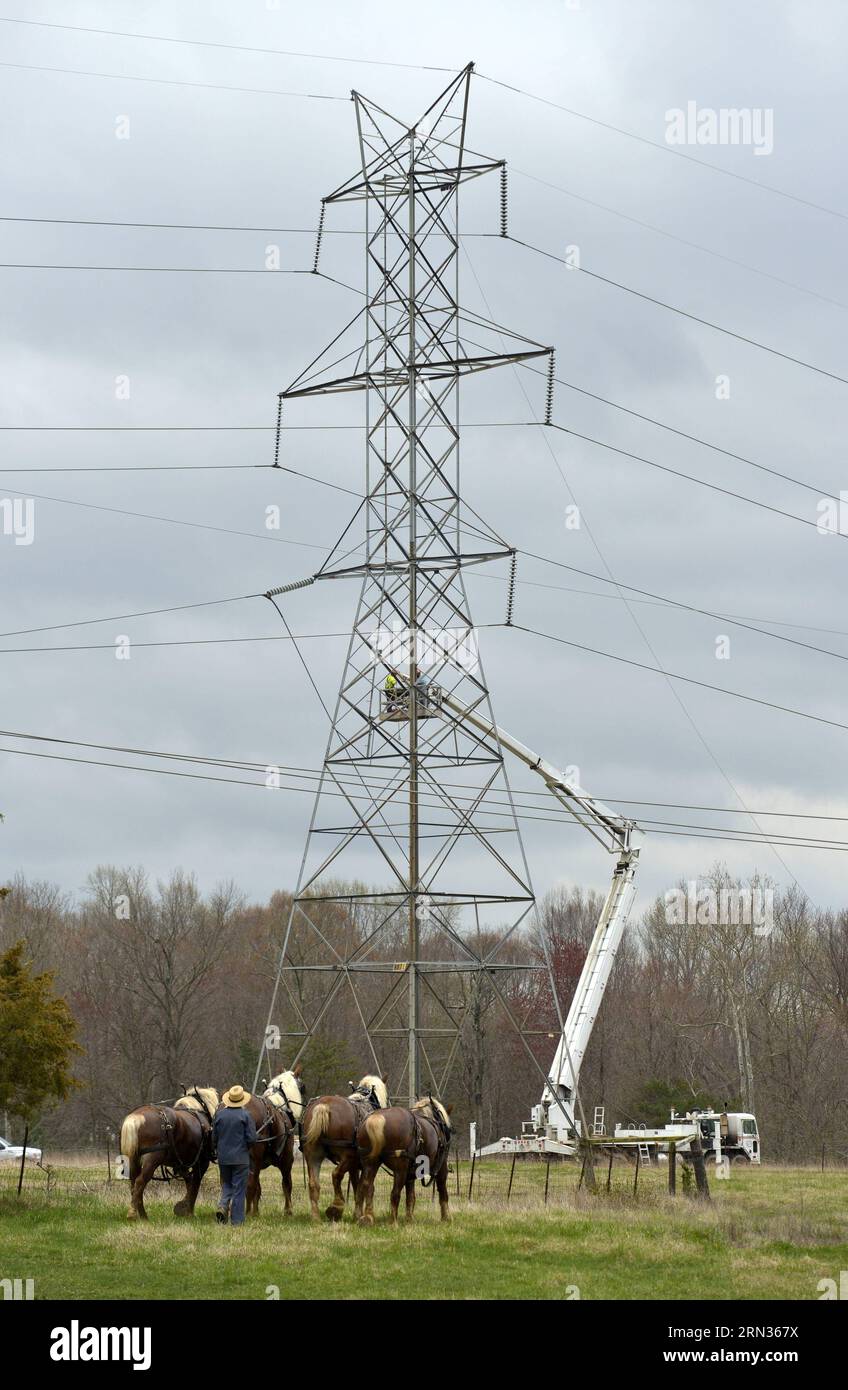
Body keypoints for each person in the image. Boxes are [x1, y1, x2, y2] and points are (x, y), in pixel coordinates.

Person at [213, 1085, 257, 1226]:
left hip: (223, 1158)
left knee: (227, 1184)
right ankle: (237, 1221)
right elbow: (251, 1138)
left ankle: (223, 1205)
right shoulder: (246, 1115)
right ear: (242, 1100)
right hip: (241, 1158)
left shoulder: (219, 1115)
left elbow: (214, 1138)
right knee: (239, 1188)